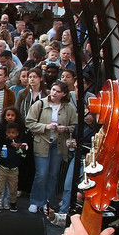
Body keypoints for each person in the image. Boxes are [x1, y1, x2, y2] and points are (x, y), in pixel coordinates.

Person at [26, 81, 78, 215]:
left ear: (64, 94)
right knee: (41, 174)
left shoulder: (69, 107)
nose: (54, 93)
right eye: (53, 89)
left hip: (59, 144)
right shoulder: (40, 104)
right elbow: (29, 122)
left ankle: (47, 202)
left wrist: (65, 128)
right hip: (42, 142)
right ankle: (36, 201)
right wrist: (45, 127)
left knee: (53, 175)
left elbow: (74, 125)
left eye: (58, 91)